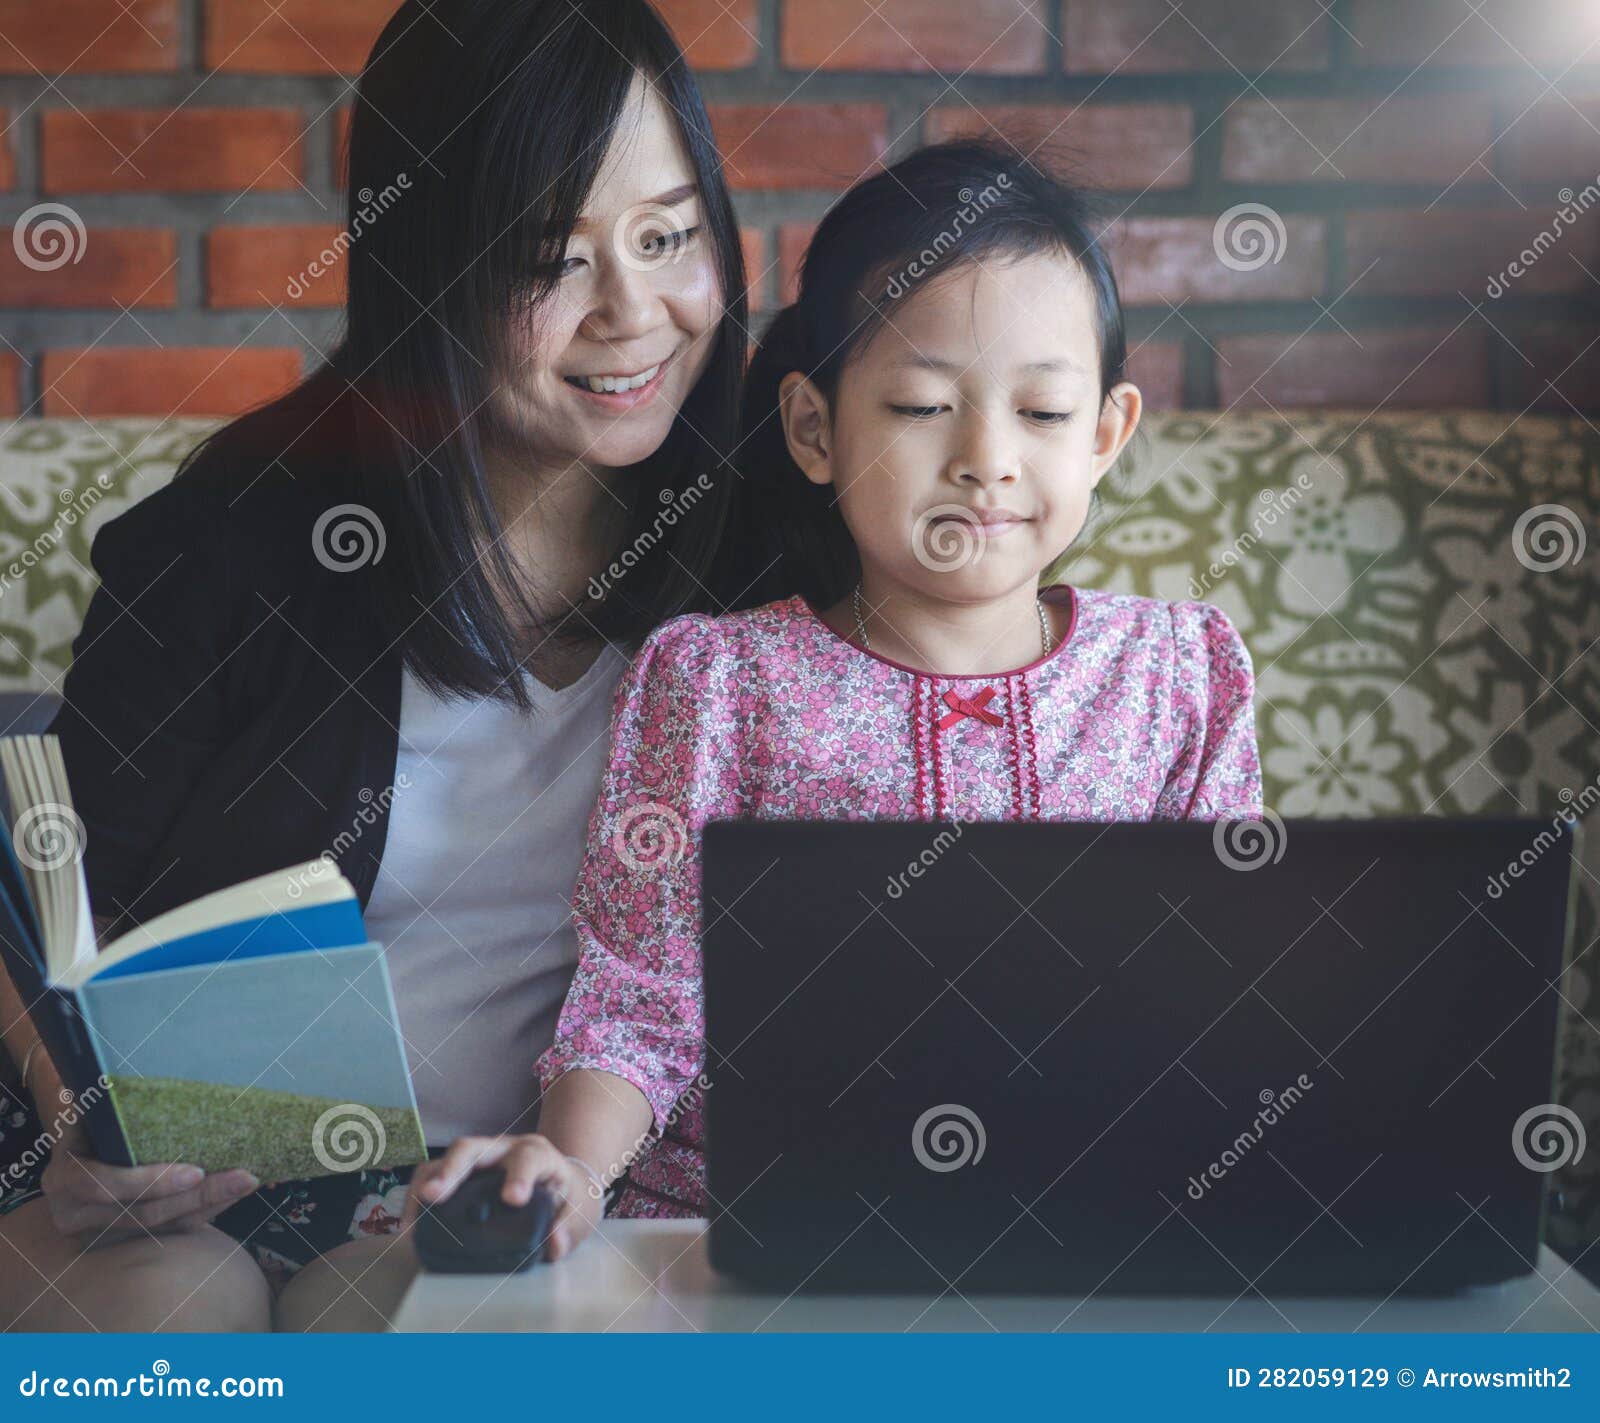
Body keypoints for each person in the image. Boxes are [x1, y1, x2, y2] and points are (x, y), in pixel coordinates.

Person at [0, 0, 780, 1332]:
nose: (634, 313)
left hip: (528, 1190)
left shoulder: (766, 543)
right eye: (553, 258)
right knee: (170, 1327)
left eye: (667, 236)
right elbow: (47, 894)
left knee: (449, 1333)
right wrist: (78, 1112)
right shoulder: (239, 534)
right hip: (204, 1183)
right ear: (428, 268)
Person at [402, 135, 1266, 1250]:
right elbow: (641, 1002)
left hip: (1075, 1234)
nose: (987, 458)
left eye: (1044, 414)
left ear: (1105, 435)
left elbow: (1225, 992)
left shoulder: (1178, 675)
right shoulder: (718, 684)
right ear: (815, 429)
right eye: (921, 406)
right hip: (741, 1233)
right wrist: (571, 1171)